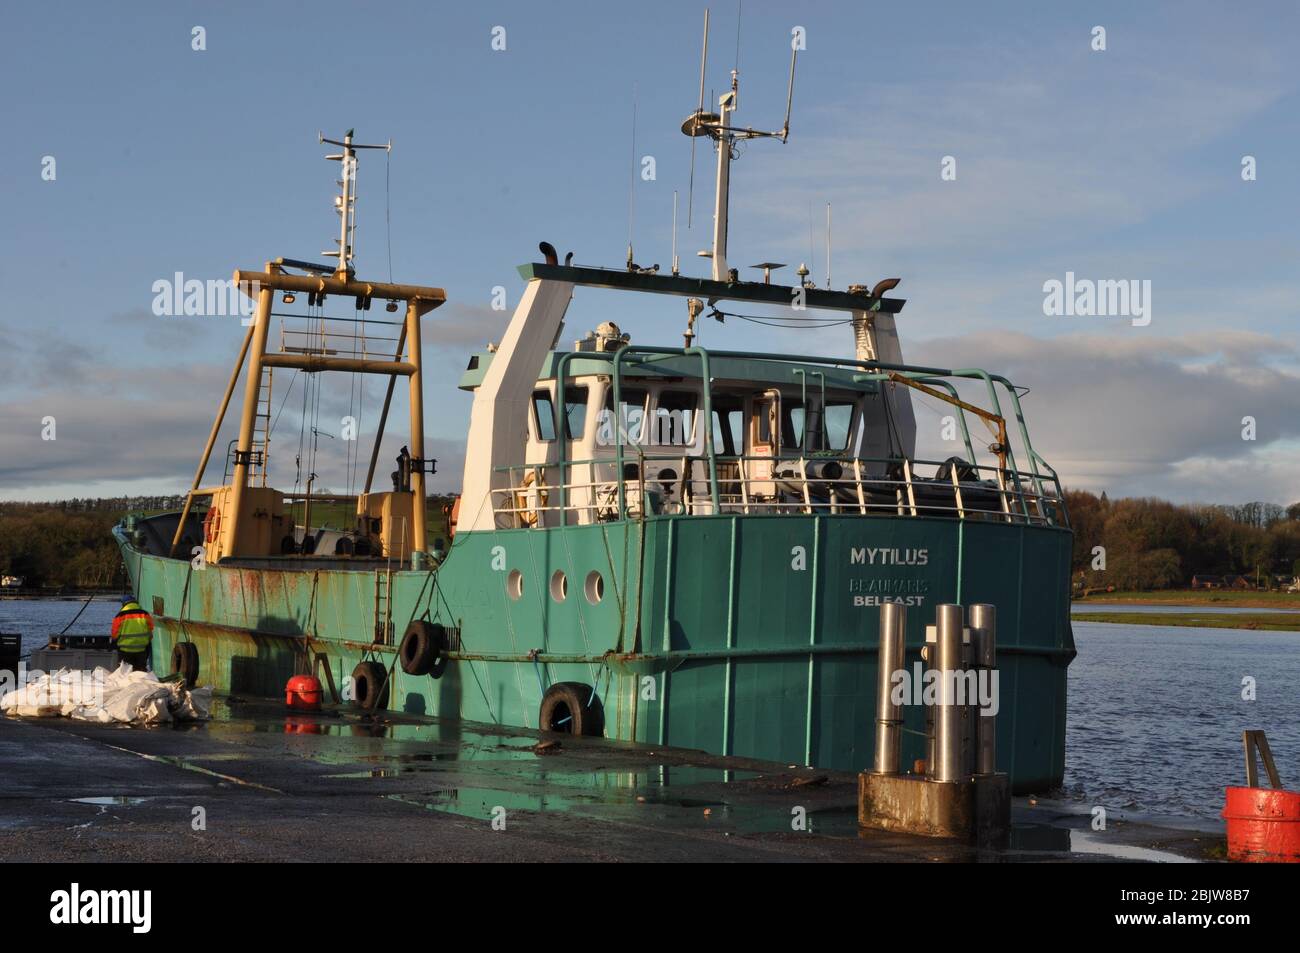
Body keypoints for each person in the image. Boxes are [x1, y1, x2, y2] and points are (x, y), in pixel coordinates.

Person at [111, 596, 154, 672]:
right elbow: (150, 632)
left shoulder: (120, 616)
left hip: (125, 651)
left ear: (124, 604)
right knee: (140, 673)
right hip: (141, 651)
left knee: (124, 674)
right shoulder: (145, 614)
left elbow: (114, 635)